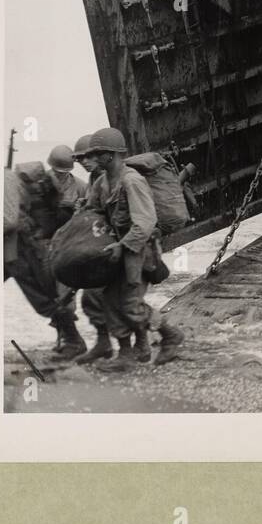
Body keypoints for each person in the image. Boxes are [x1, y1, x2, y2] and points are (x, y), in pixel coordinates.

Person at [80, 127, 186, 370]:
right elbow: (93, 210)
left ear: (112, 154)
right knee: (108, 298)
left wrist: (124, 245)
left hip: (138, 251)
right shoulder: (102, 182)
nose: (94, 158)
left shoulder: (132, 181)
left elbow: (145, 222)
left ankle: (170, 334)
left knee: (130, 303)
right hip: (116, 249)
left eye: (98, 153)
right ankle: (127, 353)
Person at [4, 161, 84, 361]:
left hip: (17, 248)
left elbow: (8, 220)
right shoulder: (7, 179)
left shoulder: (4, 180)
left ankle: (73, 341)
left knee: (41, 297)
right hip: (15, 247)